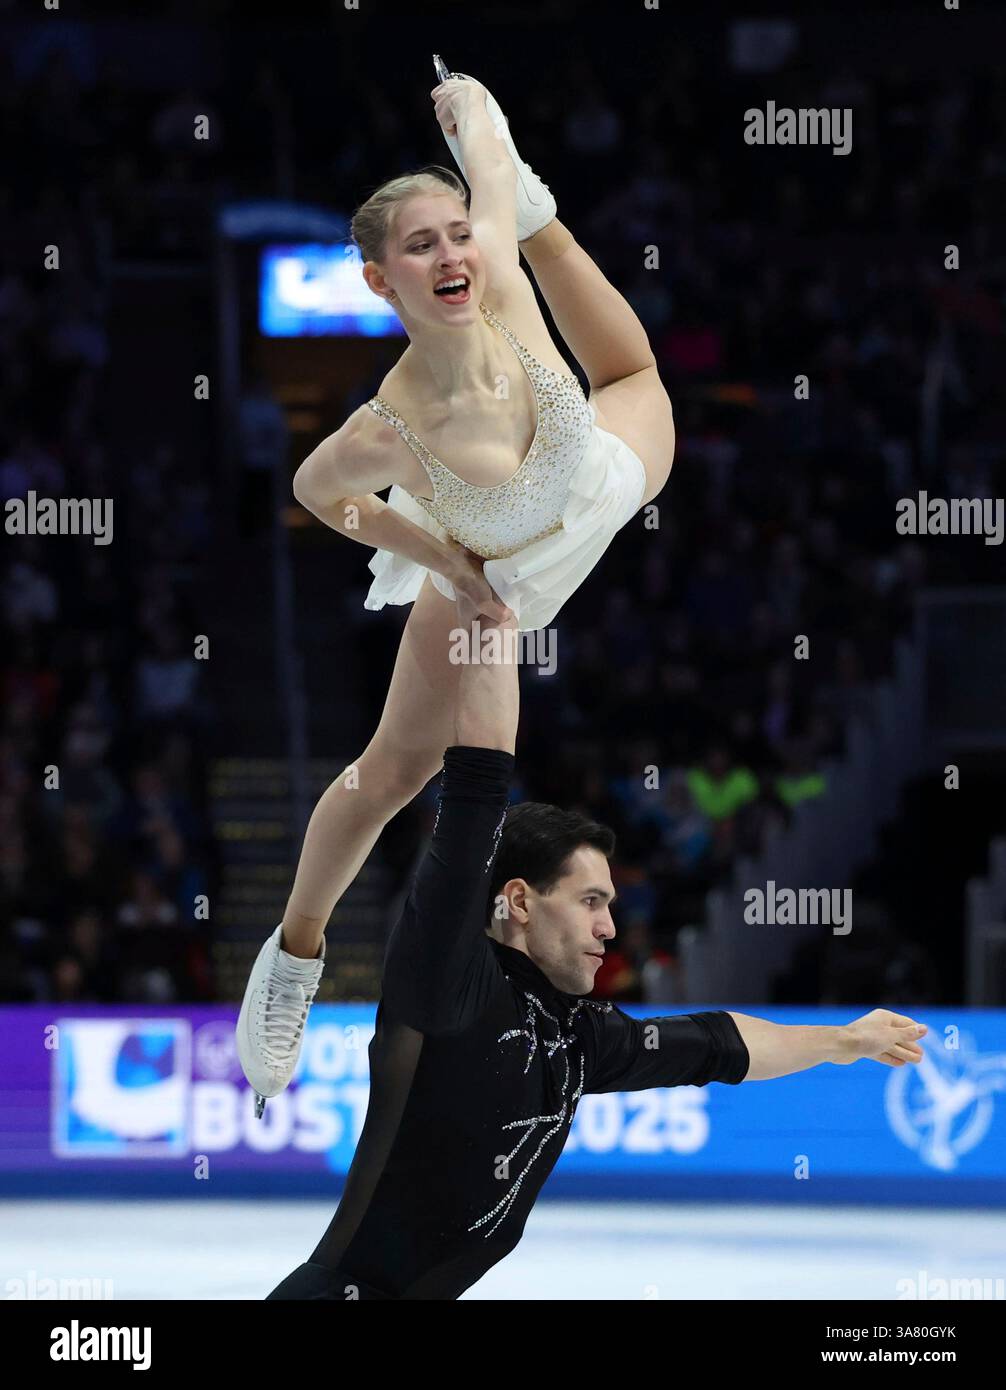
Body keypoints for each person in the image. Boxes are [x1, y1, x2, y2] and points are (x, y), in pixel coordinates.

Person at [259, 583, 929, 1300]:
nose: (610, 928)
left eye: (608, 905)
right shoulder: (449, 979)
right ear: (516, 901)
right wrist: (493, 614)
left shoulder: (578, 1037)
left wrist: (839, 1042)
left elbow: (716, 1043)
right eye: (589, 902)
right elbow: (478, 789)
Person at [237, 67, 677, 1099]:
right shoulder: (387, 425)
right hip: (494, 563)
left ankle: (533, 208)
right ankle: (291, 958)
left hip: (596, 478)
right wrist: (442, 559)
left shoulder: (500, 283)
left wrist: (470, 107)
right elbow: (314, 491)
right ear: (380, 282)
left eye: (455, 234)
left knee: (633, 375)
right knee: (390, 774)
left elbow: (477, 139)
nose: (448, 254)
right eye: (418, 246)